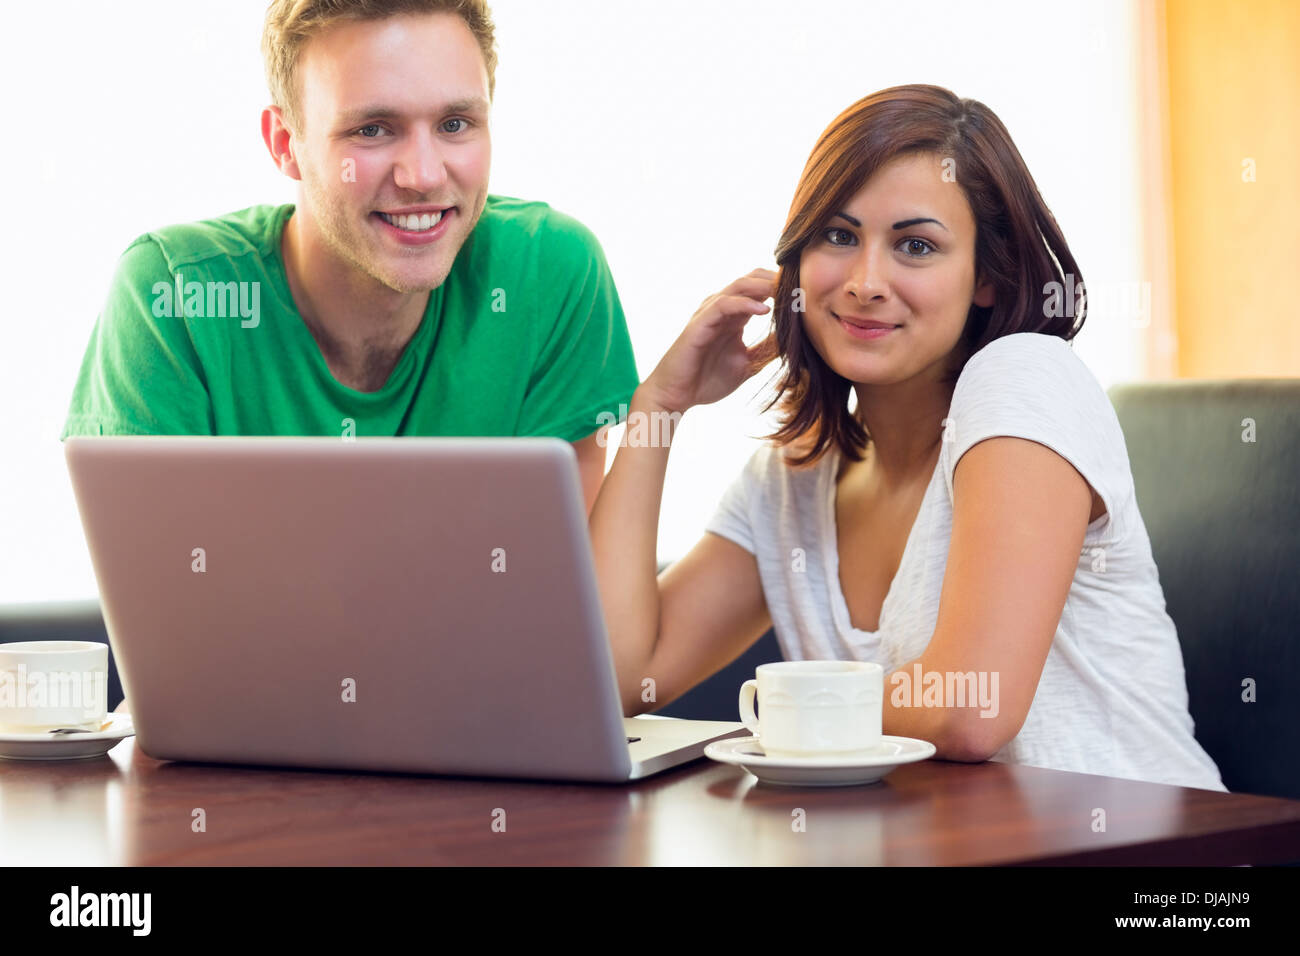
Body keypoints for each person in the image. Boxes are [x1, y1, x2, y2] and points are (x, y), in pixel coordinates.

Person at [589, 84, 1226, 791]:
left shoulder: (1025, 379)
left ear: (986, 276)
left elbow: (970, 707)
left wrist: (781, 714)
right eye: (838, 235)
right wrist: (661, 408)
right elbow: (615, 681)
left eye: (915, 246)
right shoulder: (790, 481)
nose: (865, 281)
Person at [64, 0, 640, 718]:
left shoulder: (550, 273)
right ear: (284, 142)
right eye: (373, 129)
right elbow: (182, 647)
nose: (424, 175)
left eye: (455, 124)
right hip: (242, 775)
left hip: (479, 753)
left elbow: (542, 614)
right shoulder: (173, 295)